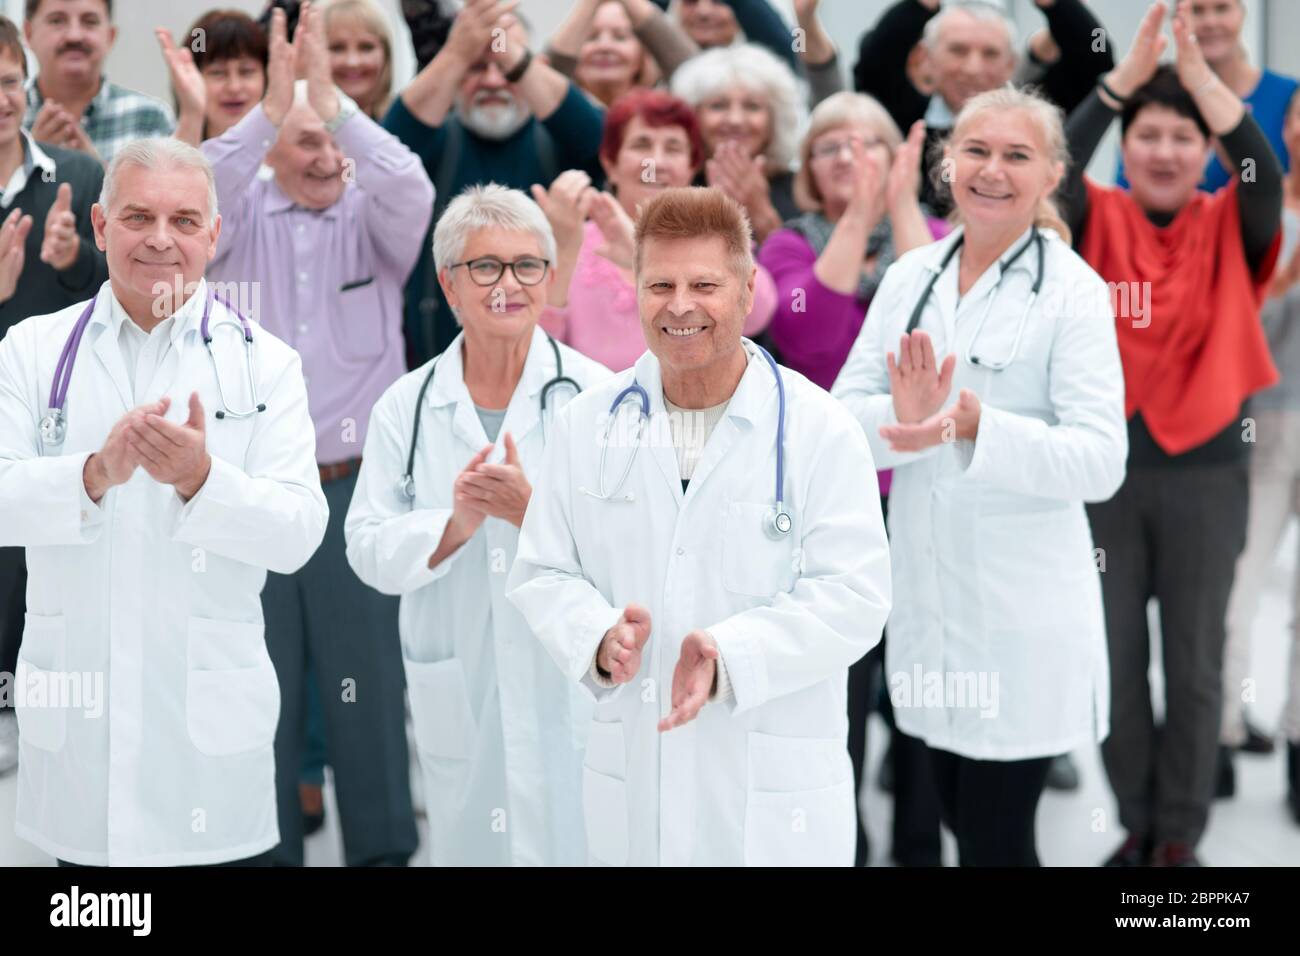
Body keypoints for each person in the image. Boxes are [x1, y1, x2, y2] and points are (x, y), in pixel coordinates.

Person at [507, 186, 892, 866]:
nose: (680, 305)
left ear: (747, 292)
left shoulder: (819, 428)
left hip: (772, 787)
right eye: (660, 284)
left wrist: (730, 657)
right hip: (637, 767)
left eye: (704, 284)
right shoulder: (588, 422)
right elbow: (542, 570)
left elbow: (857, 598)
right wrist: (596, 636)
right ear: (637, 288)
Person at [0, 135, 327, 865]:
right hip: (80, 739)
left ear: (214, 233)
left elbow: (301, 529)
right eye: (137, 217)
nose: (159, 239)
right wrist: (92, 473)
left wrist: (202, 479)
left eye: (184, 220)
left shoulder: (266, 365)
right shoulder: (30, 350)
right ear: (98, 226)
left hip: (206, 746)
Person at [833, 84, 1126, 867]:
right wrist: (909, 424)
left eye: (1016, 155)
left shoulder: (1075, 293)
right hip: (930, 616)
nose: (992, 171)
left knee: (998, 844)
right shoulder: (910, 279)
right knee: (964, 822)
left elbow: (1100, 460)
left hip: (1019, 624)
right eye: (976, 150)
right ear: (945, 163)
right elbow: (841, 424)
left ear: (1052, 174)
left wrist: (975, 427)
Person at [202, 3, 432, 867]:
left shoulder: (377, 222)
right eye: (307, 142)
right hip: (250, 496)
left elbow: (410, 182)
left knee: (368, 691)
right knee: (260, 692)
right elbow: (202, 183)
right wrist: (269, 108)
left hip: (352, 491)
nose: (329, 156)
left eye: (335, 140)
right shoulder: (233, 221)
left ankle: (380, 854)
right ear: (268, 148)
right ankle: (267, 855)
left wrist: (335, 105)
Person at [1059, 1, 1284, 867]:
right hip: (1107, 473)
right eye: (1148, 135)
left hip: (1207, 472)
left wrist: (1198, 83)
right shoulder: (1091, 220)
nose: (1163, 150)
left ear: (1204, 155)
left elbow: (1263, 167)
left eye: (1182, 138)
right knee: (1114, 663)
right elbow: (1056, 165)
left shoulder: (1233, 222)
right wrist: (1118, 84)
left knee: (1192, 665)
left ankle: (1179, 835)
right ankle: (1136, 820)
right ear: (1129, 144)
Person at [345, 184, 611, 865]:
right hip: (458, 684)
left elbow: (636, 548)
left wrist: (533, 515)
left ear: (551, 280)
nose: (507, 285)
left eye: (527, 266)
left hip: (571, 685)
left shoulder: (599, 397)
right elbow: (367, 550)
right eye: (484, 267)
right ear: (449, 284)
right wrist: (456, 524)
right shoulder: (404, 407)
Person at [757, 91, 948, 865]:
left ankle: (918, 843)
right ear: (807, 168)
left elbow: (938, 322)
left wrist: (899, 206)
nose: (849, 156)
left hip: (924, 497)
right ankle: (847, 844)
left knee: (920, 683)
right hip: (826, 500)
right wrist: (854, 219)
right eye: (830, 144)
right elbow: (809, 331)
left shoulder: (936, 239)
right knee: (837, 679)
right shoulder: (784, 250)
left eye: (869, 142)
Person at [0, 12, 107, 778]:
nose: (3, 100)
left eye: (9, 84)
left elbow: (114, 304)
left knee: (35, 584)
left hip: (51, 422)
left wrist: (73, 266)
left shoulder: (78, 177)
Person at [383, 0, 604, 367]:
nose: (492, 80)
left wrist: (512, 53)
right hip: (437, 376)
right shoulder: (434, 143)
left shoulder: (561, 143)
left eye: (505, 67)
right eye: (476, 67)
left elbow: (601, 141)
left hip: (550, 375)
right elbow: (385, 153)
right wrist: (456, 51)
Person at [537, 88, 774, 372]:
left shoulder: (713, 241)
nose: (656, 162)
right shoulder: (570, 239)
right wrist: (563, 251)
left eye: (673, 148)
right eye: (641, 145)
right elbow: (538, 356)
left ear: (691, 167)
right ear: (610, 164)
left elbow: (759, 312)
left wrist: (725, 225)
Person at [1218, 85, 1300, 820]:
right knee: (1239, 586)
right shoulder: (1263, 214)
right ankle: (1221, 732)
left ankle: (1298, 740)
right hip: (1268, 423)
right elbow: (1243, 331)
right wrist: (1284, 278)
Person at [854, 0, 1113, 217]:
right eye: (958, 50)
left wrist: (1058, 5)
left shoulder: (1035, 122)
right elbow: (874, 61)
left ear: (1011, 64)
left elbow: (1097, 52)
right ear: (927, 58)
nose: (973, 68)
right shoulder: (902, 118)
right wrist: (918, 5)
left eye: (990, 54)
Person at [1117, 0, 1296, 193]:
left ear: (1242, 12)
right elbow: (1126, 190)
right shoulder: (1156, 96)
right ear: (1176, 19)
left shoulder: (1291, 97)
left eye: (1222, 8)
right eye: (1196, 10)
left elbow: (1271, 187)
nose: (1210, 22)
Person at [671, 44, 805, 244]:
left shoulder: (803, 190)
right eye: (718, 106)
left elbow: (807, 272)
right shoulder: (674, 186)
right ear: (693, 117)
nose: (735, 120)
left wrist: (760, 214)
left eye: (752, 107)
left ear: (775, 120)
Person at [23, 0, 173, 164]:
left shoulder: (149, 118)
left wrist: (99, 175)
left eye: (90, 22)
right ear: (28, 33)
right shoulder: (6, 113)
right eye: (57, 21)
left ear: (110, 36)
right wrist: (29, 160)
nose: (74, 36)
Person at [545, 0, 691, 107]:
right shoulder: (553, 109)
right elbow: (548, 72)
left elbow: (691, 67)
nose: (604, 46)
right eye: (591, 37)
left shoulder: (666, 108)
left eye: (620, 37)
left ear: (642, 56)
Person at [157, 9, 268, 147]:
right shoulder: (158, 154)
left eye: (246, 71)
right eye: (218, 73)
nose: (234, 87)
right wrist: (191, 115)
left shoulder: (290, 155)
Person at [322, 0, 394, 120]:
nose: (352, 62)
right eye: (337, 48)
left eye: (366, 47)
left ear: (385, 54)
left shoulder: (407, 124)